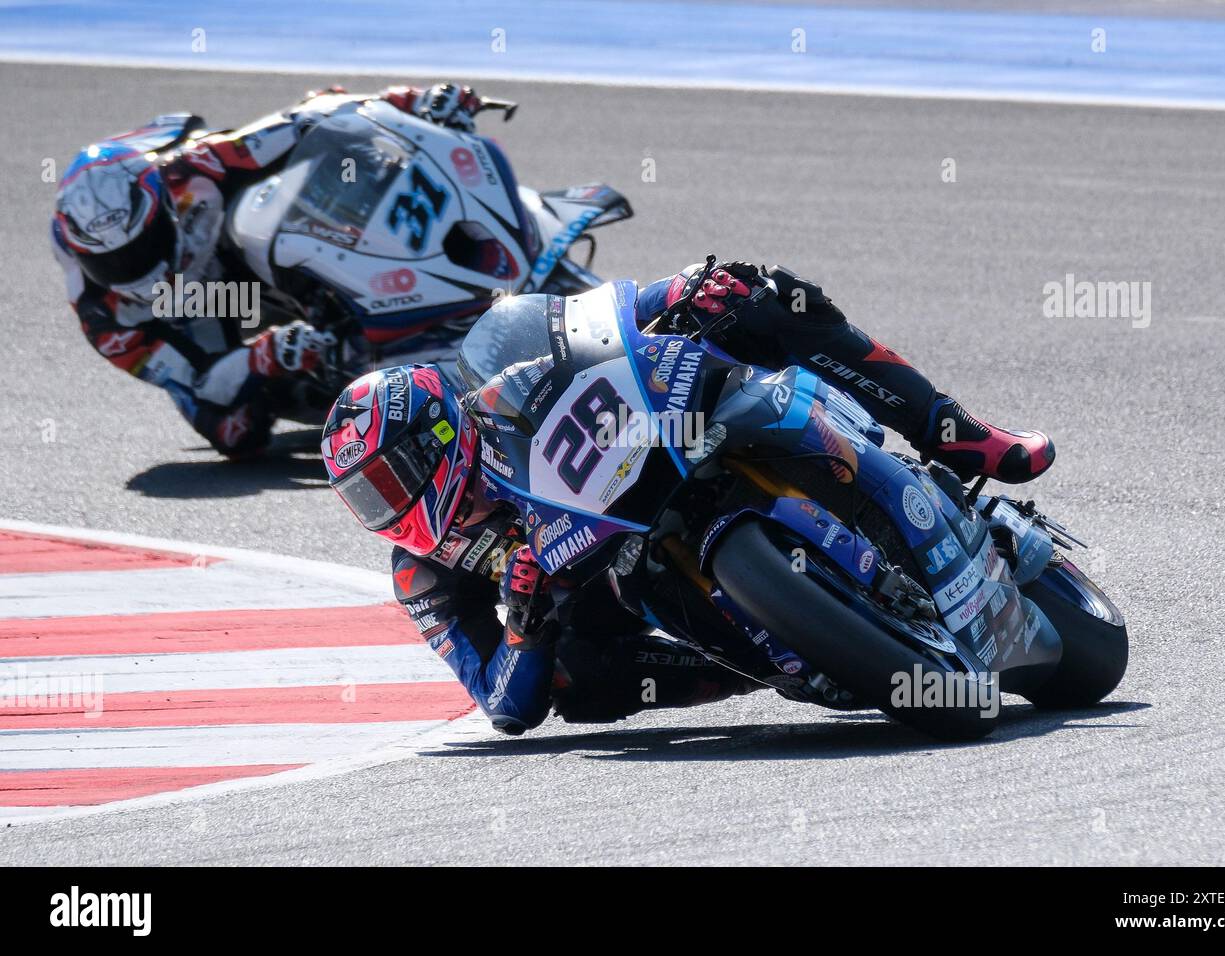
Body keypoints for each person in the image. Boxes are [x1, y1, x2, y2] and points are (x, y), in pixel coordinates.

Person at [322, 261, 1055, 735]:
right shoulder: (425, 572)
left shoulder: (498, 386)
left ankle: (959, 433)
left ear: (439, 435)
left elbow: (596, 323)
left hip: (658, 442)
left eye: (386, 481)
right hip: (618, 571)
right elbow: (505, 706)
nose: (389, 509)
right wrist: (523, 623)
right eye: (366, 499)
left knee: (769, 297)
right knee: (578, 684)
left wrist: (683, 292)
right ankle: (765, 662)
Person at [51, 82, 485, 456]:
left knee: (331, 158)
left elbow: (302, 118)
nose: (132, 267)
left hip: (240, 252)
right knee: (235, 433)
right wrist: (267, 355)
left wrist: (414, 101)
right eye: (110, 261)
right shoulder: (105, 321)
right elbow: (197, 383)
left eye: (139, 247)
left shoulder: (192, 168)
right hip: (199, 311)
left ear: (160, 205)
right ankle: (341, 369)